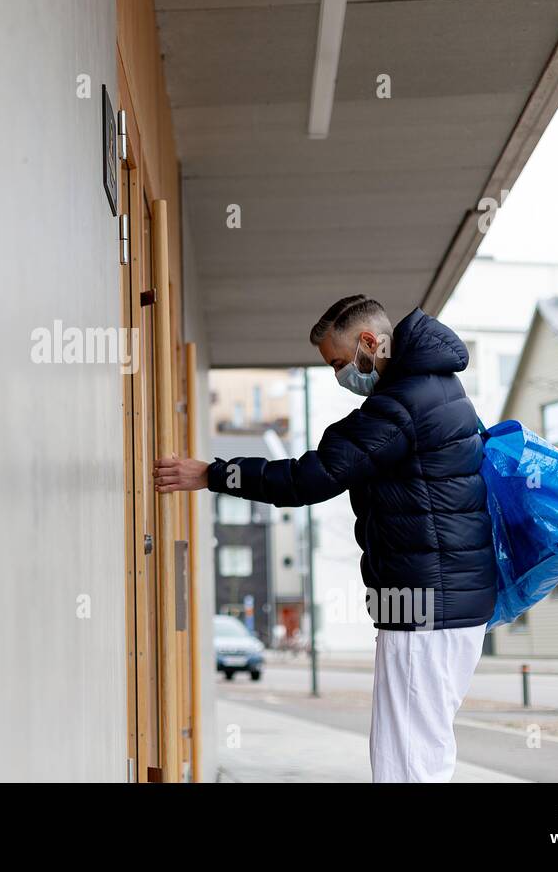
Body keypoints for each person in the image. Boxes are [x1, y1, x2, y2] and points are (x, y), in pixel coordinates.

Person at [154, 295, 496, 782]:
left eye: (339, 362)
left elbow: (309, 478)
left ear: (369, 342)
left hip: (425, 603)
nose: (340, 375)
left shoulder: (399, 405)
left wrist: (212, 474)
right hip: (447, 602)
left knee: (408, 758)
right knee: (422, 746)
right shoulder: (441, 387)